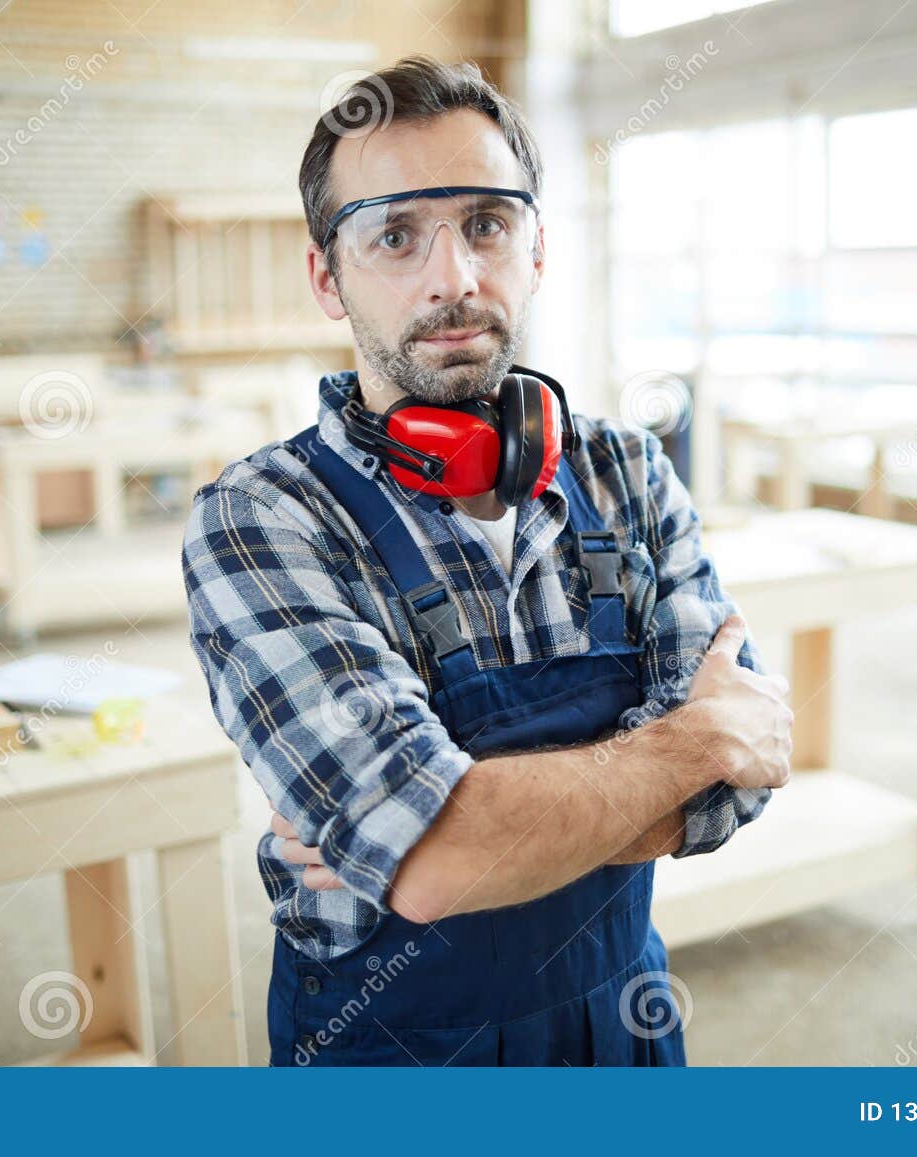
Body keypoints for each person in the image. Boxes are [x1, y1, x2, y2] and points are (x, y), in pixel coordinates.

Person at [182, 55, 792, 1067]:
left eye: (486, 224)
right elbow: (436, 860)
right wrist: (689, 742)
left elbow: (741, 789)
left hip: (622, 1023)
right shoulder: (264, 520)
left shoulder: (626, 471)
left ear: (538, 248)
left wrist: (457, 826)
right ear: (326, 276)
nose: (454, 277)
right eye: (394, 235)